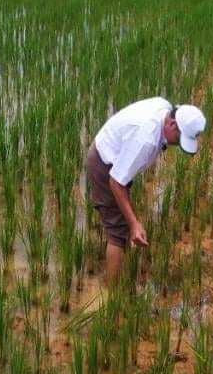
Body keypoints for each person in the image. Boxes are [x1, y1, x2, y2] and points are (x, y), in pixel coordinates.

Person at [86, 98, 206, 283]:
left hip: (116, 156)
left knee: (122, 221)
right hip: (104, 163)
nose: (177, 145)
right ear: (172, 124)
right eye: (179, 139)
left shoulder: (165, 107)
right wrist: (134, 224)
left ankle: (118, 269)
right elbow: (116, 181)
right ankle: (112, 295)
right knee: (118, 230)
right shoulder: (145, 139)